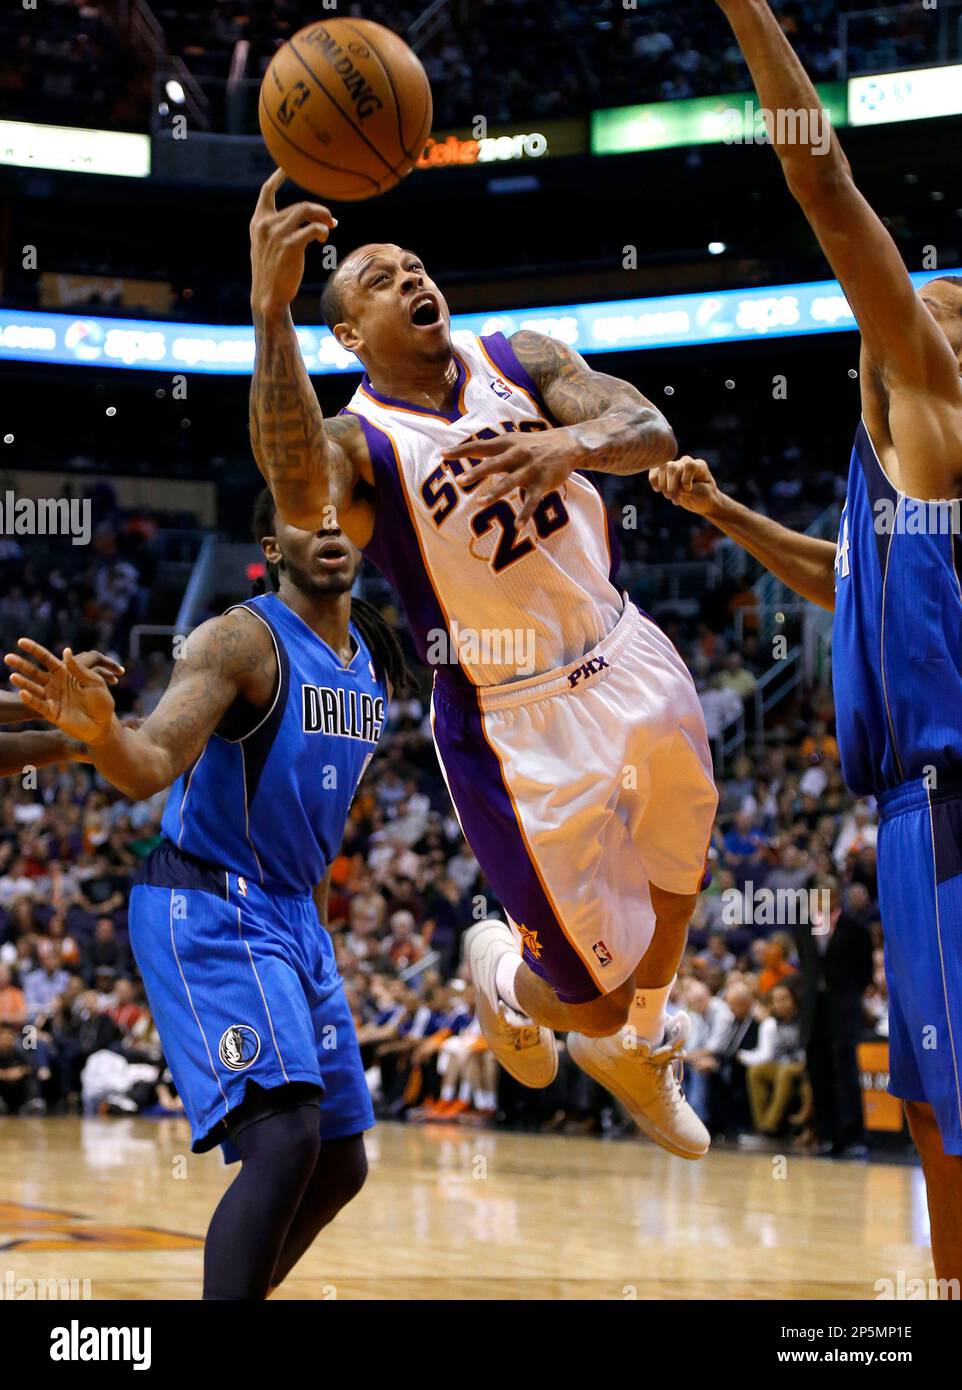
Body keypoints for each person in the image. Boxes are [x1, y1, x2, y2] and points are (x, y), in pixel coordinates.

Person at [247, 167, 719, 1159]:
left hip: (627, 647)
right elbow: (297, 495)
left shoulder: (519, 355)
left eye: (415, 265)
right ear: (345, 333)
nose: (411, 277)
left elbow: (647, 428)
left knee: (679, 868)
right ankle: (505, 975)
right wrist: (267, 310)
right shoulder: (358, 441)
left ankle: (638, 1047)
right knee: (580, 1005)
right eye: (378, 277)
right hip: (515, 718)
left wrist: (573, 444)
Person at [649, 0, 962, 1277]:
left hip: (941, 805)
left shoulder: (937, 417)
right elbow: (847, 583)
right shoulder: (891, 470)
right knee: (934, 1101)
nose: (927, 298)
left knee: (951, 1099)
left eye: (943, 303)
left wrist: (746, 12)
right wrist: (723, 512)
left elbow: (822, 182)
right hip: (912, 813)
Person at [4, 490, 408, 1300]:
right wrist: (93, 736)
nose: (326, 524)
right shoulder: (240, 638)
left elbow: (281, 796)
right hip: (210, 899)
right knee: (287, 1140)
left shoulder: (371, 649)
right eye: (303, 513)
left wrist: (74, 736)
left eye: (339, 510)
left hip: (295, 912)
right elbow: (148, 763)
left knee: (339, 1160)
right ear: (270, 544)